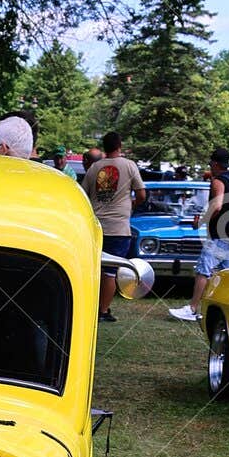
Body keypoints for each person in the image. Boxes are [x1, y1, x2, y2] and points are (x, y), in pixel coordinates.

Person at [170, 146, 229, 323]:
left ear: (215, 164)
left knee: (203, 269)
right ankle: (227, 311)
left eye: (211, 163)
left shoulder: (218, 181)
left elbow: (217, 206)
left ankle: (192, 309)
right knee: (226, 273)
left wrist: (201, 222)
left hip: (219, 235)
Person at [84, 131, 147, 322]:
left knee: (94, 268)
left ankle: (89, 307)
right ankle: (103, 311)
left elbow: (84, 194)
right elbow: (142, 194)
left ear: (104, 146)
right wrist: (131, 206)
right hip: (119, 227)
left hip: (96, 226)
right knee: (111, 271)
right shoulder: (129, 166)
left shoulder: (94, 168)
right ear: (120, 145)